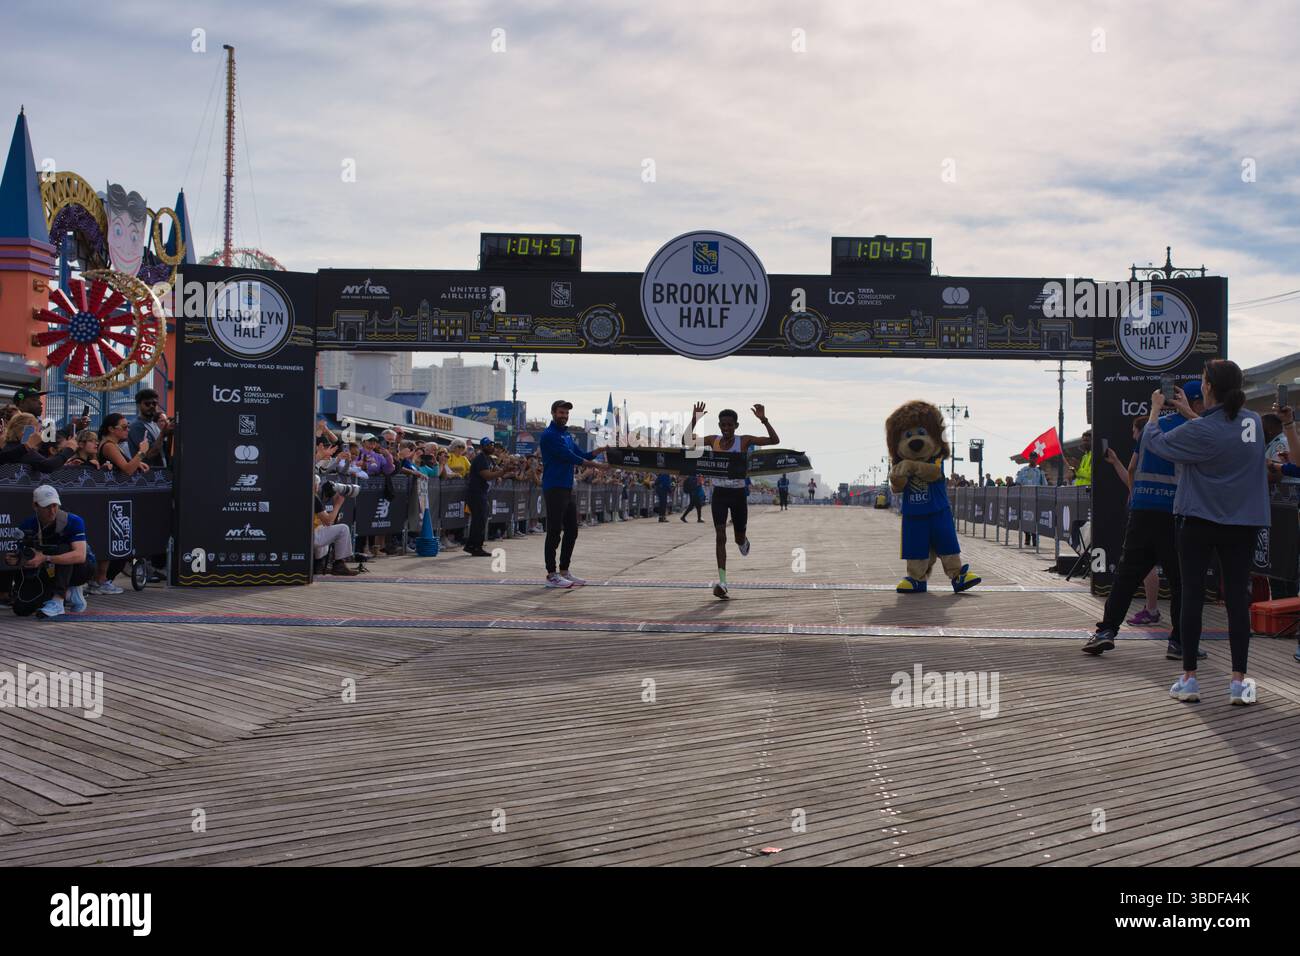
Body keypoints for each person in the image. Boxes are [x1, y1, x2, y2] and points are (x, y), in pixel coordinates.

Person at [1138, 360, 1268, 705]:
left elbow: (1154, 442)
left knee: (1192, 595)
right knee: (1238, 600)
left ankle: (1189, 678)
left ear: (1208, 388)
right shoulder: (1252, 422)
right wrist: (1189, 412)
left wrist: (1156, 409)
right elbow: (1222, 437)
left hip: (1198, 520)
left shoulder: (1200, 432)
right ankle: (1239, 683)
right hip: (1243, 522)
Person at [1082, 381, 1206, 662]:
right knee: (1180, 582)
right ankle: (1179, 643)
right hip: (1174, 513)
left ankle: (1106, 632)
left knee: (1126, 577)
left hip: (1142, 511)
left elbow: (1134, 466)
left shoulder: (1153, 426)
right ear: (1195, 402)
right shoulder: (1193, 427)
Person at [685, 402, 780, 599]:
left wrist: (764, 420)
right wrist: (695, 418)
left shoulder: (744, 441)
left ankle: (743, 541)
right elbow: (687, 441)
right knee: (720, 536)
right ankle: (723, 582)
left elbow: (774, 440)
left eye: (730, 425)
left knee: (737, 538)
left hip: (738, 495)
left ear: (736, 425)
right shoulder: (714, 440)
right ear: (719, 425)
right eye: (723, 425)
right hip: (719, 493)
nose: (726, 428)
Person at [540, 400, 610, 587]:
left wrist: (600, 450)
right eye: (561, 412)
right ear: (553, 413)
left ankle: (564, 570)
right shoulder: (549, 435)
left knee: (572, 529)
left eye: (566, 413)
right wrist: (597, 465)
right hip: (554, 486)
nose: (564, 416)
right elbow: (570, 457)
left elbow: (583, 455)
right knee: (554, 531)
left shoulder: (567, 435)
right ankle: (551, 574)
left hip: (567, 487)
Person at [2, 485, 96, 619]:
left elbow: (80, 556)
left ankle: (58, 600)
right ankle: (69, 594)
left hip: (81, 570)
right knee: (21, 609)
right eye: (47, 507)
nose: (52, 511)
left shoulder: (73, 521)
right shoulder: (27, 525)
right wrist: (16, 559)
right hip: (48, 572)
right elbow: (26, 555)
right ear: (35, 506)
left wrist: (45, 558)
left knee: (64, 548)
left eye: (55, 505)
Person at [465, 438, 512, 557]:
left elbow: (497, 470)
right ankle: (475, 546)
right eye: (489, 445)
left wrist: (504, 471)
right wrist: (501, 473)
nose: (492, 447)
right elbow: (487, 475)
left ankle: (472, 545)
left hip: (482, 493)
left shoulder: (489, 458)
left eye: (492, 445)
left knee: (481, 519)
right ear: (482, 447)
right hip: (476, 493)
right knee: (479, 520)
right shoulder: (480, 459)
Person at [312, 476, 360, 576]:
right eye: (318, 484)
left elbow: (324, 520)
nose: (318, 487)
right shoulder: (314, 497)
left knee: (324, 528)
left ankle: (318, 565)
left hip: (303, 533)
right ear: (315, 485)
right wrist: (337, 504)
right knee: (343, 529)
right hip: (311, 536)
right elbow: (329, 521)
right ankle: (339, 565)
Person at [0, 413, 76, 472]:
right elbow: (48, 466)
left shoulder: (13, 447)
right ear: (24, 431)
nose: (40, 434)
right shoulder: (22, 450)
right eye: (37, 430)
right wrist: (69, 449)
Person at [127, 388, 174, 467]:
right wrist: (162, 434)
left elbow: (163, 452)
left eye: (154, 403)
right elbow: (148, 455)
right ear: (138, 405)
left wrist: (169, 434)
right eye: (147, 404)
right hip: (146, 475)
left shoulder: (154, 424)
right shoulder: (137, 426)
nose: (152, 406)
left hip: (159, 474)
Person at [1014, 451, 1048, 545]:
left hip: (1036, 499)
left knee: (1035, 518)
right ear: (1028, 458)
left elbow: (1045, 485)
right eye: (1031, 457)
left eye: (1034, 458)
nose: (1032, 459)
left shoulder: (1040, 471)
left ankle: (1035, 538)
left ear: (1037, 459)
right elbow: (1018, 482)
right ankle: (1027, 536)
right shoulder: (1024, 470)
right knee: (1026, 517)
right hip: (1025, 498)